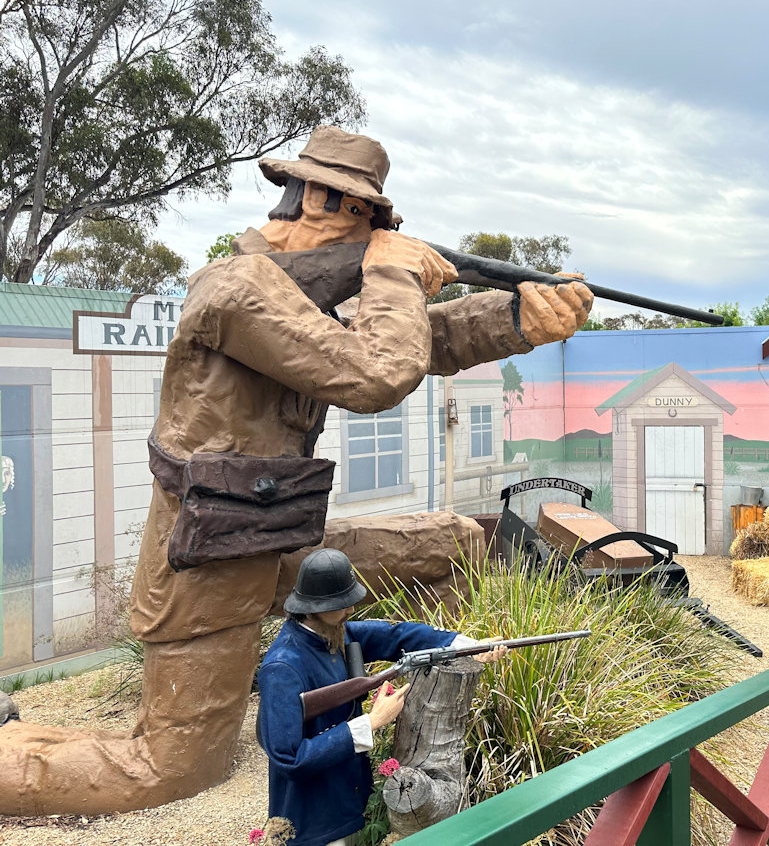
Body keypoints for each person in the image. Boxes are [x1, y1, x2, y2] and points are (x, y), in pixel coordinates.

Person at [0, 126, 594, 814]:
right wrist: (395, 273)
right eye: (357, 218)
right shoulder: (235, 291)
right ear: (312, 197)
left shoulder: (304, 301)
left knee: (454, 543)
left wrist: (520, 315)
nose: (367, 238)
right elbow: (373, 372)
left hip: (282, 538)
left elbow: (422, 339)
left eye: (375, 226)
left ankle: (419, 750)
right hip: (210, 558)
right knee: (168, 770)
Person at [258, 549, 504, 846]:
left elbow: (397, 635)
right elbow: (289, 759)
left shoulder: (333, 629)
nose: (349, 610)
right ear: (311, 608)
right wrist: (372, 722)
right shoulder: (283, 666)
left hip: (347, 799)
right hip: (314, 819)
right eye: (340, 605)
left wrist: (469, 646)